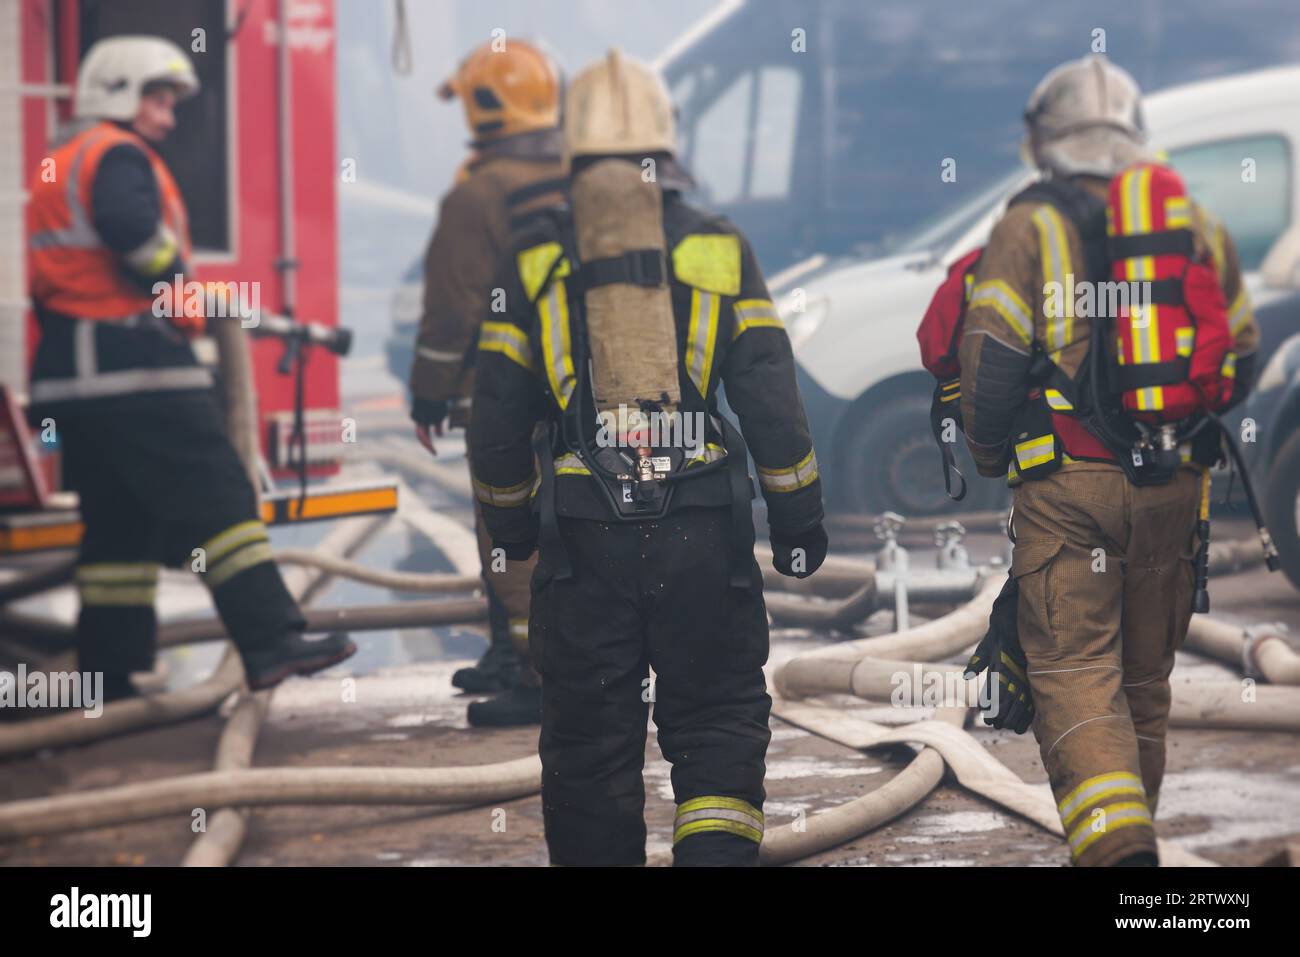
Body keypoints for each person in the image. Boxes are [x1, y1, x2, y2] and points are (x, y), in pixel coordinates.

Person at [469, 50, 827, 866]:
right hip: (702, 529)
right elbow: (772, 399)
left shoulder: (535, 258)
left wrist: (512, 528)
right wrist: (800, 522)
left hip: (582, 542)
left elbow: (495, 419)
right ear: (666, 148)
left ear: (572, 150)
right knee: (716, 721)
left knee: (590, 747)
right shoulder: (718, 247)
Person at [959, 55, 1259, 866]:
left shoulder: (1031, 226)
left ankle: (1119, 849)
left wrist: (991, 454)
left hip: (1069, 492)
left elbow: (988, 355)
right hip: (1175, 489)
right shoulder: (1188, 221)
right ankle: (1132, 857)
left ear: (1045, 142)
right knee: (1142, 688)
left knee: (1076, 673)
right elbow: (1243, 352)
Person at [26, 36, 354, 700]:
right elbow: (136, 238)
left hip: (70, 381)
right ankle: (270, 641)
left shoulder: (63, 161)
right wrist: (182, 299)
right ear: (115, 90)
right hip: (132, 370)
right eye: (157, 98)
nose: (168, 117)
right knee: (219, 496)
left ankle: (107, 675)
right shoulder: (116, 155)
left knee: (121, 526)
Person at [408, 39, 566, 726]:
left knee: (505, 532)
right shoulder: (578, 176)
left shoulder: (477, 196)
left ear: (485, 104)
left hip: (496, 391)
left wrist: (430, 392)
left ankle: (536, 680)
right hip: (574, 391)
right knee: (566, 528)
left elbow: (452, 306)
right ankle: (517, 657)